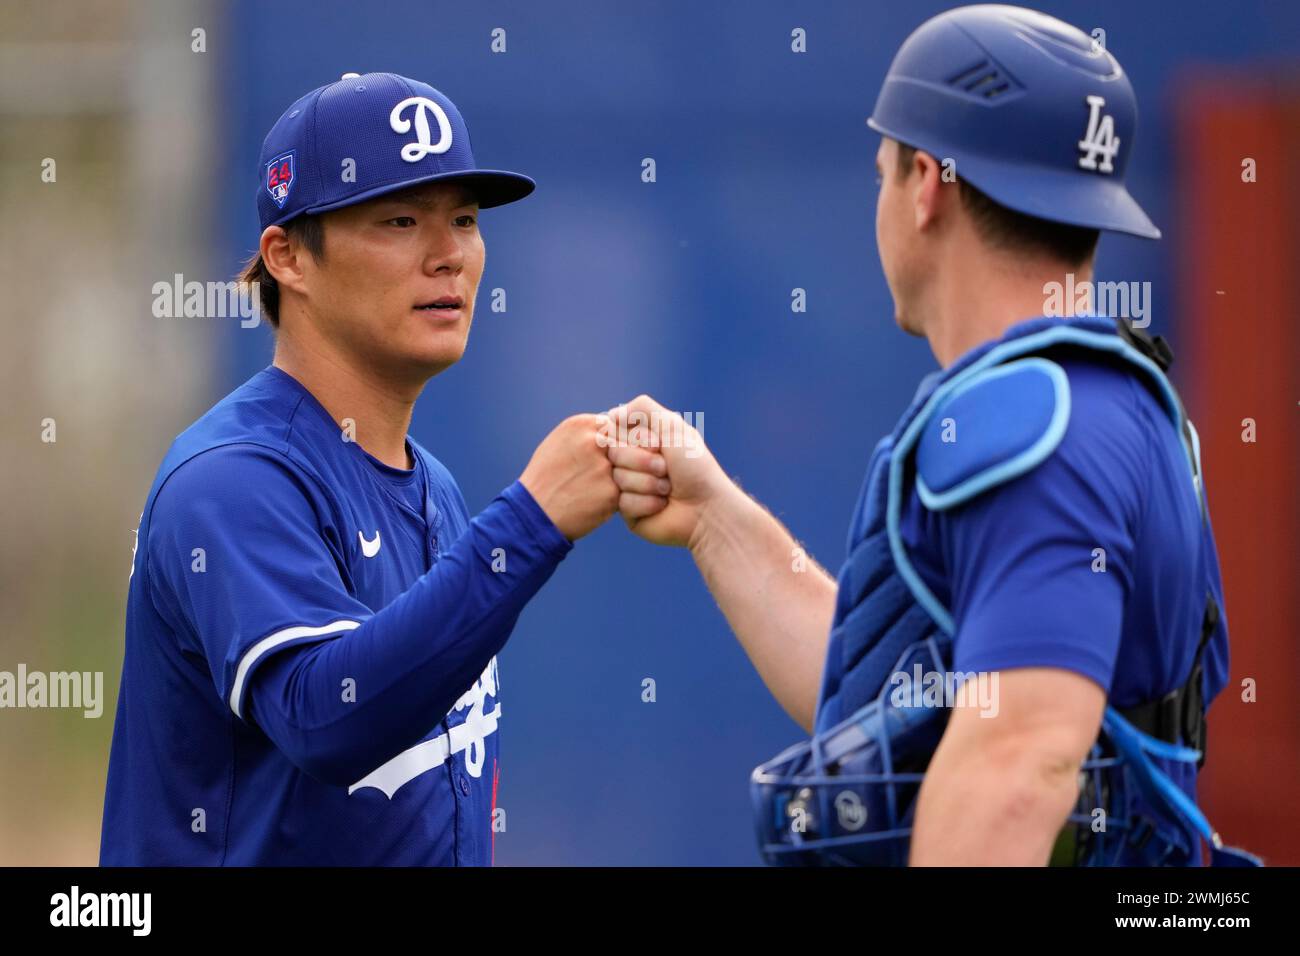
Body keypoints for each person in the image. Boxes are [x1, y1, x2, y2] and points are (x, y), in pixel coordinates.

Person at [605, 6, 1258, 866]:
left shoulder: (1035, 430)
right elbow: (901, 701)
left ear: (927, 183)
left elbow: (1018, 761)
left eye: (882, 171)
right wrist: (712, 516)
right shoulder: (1098, 403)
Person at [100, 73, 641, 865]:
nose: (448, 254)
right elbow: (327, 718)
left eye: (463, 218)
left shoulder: (438, 491)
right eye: (398, 219)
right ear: (288, 257)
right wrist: (531, 522)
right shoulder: (231, 480)